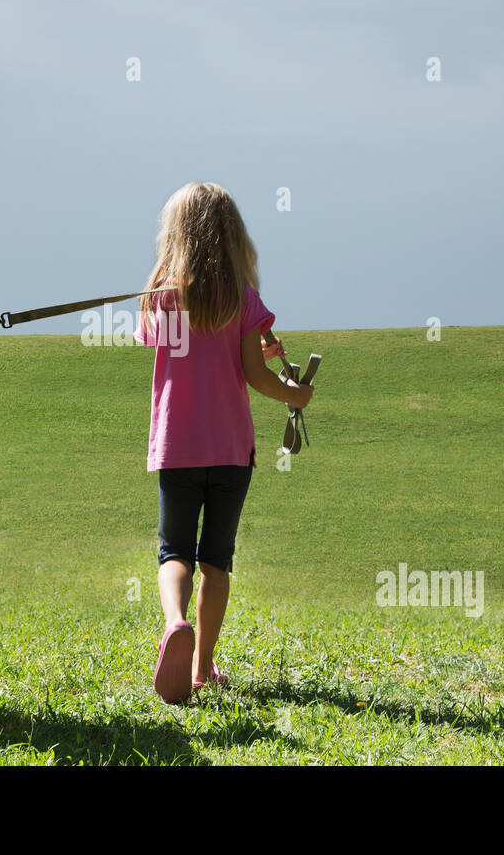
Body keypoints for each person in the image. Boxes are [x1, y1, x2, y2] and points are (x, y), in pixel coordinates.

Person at [135, 182, 314, 704]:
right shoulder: (243, 298)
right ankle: (201, 666)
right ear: (232, 235)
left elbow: (178, 347)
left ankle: (174, 623)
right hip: (231, 451)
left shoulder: (162, 298)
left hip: (177, 446)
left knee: (174, 550)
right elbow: (256, 376)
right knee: (217, 558)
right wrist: (294, 394)